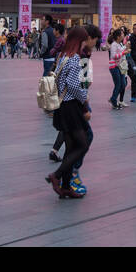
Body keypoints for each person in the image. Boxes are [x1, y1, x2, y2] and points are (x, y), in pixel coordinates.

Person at [45, 26, 90, 197]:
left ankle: (65, 187)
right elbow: (73, 85)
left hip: (62, 105)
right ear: (79, 40)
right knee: (82, 144)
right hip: (71, 107)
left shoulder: (64, 56)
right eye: (84, 40)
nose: (85, 43)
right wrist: (84, 97)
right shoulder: (75, 58)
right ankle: (56, 176)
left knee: (71, 148)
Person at [107, 29, 129, 109]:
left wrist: (125, 48)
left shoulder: (118, 44)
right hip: (114, 67)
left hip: (120, 66)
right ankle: (113, 100)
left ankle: (113, 98)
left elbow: (121, 51)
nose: (123, 35)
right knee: (118, 84)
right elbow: (113, 56)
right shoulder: (114, 44)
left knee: (123, 84)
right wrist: (123, 53)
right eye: (122, 34)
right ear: (118, 36)